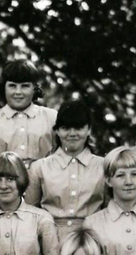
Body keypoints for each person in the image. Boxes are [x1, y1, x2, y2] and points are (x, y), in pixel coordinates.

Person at [25, 99, 107, 243]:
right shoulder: (40, 168)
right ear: (57, 130)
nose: (72, 133)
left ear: (89, 130)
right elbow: (31, 214)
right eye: (66, 128)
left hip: (93, 240)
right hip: (50, 240)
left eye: (79, 128)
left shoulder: (103, 166)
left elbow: (109, 210)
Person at [0, 59, 57, 164]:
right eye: (12, 86)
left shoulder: (51, 117)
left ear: (34, 88)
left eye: (25, 86)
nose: (18, 92)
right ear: (4, 87)